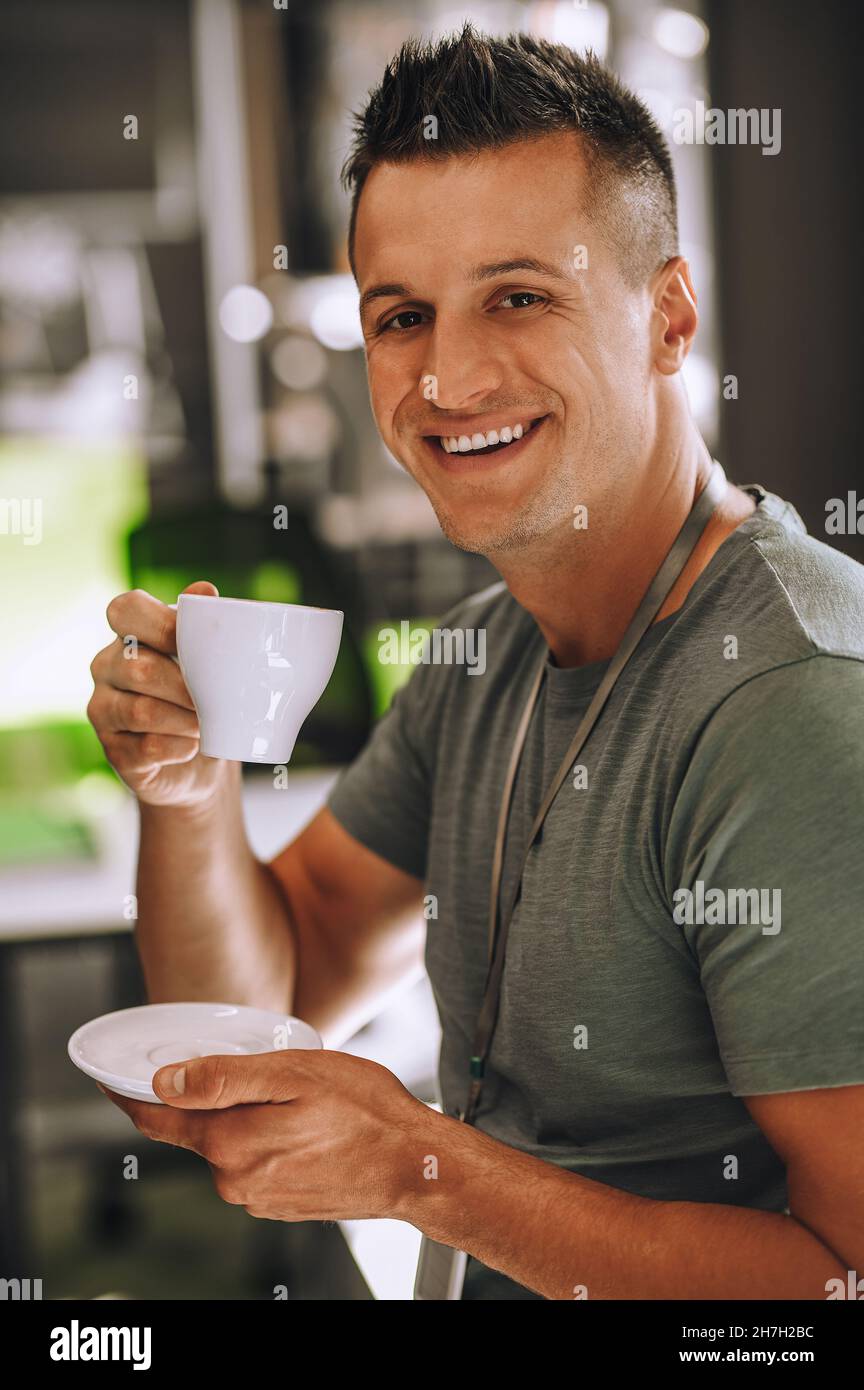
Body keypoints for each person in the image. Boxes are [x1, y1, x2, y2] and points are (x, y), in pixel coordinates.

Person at [87, 27, 864, 1300]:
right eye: (403, 317)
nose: (447, 376)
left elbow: (846, 1279)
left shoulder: (794, 703)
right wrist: (189, 790)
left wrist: (418, 1171)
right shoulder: (486, 651)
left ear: (669, 317)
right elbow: (279, 981)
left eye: (518, 295)